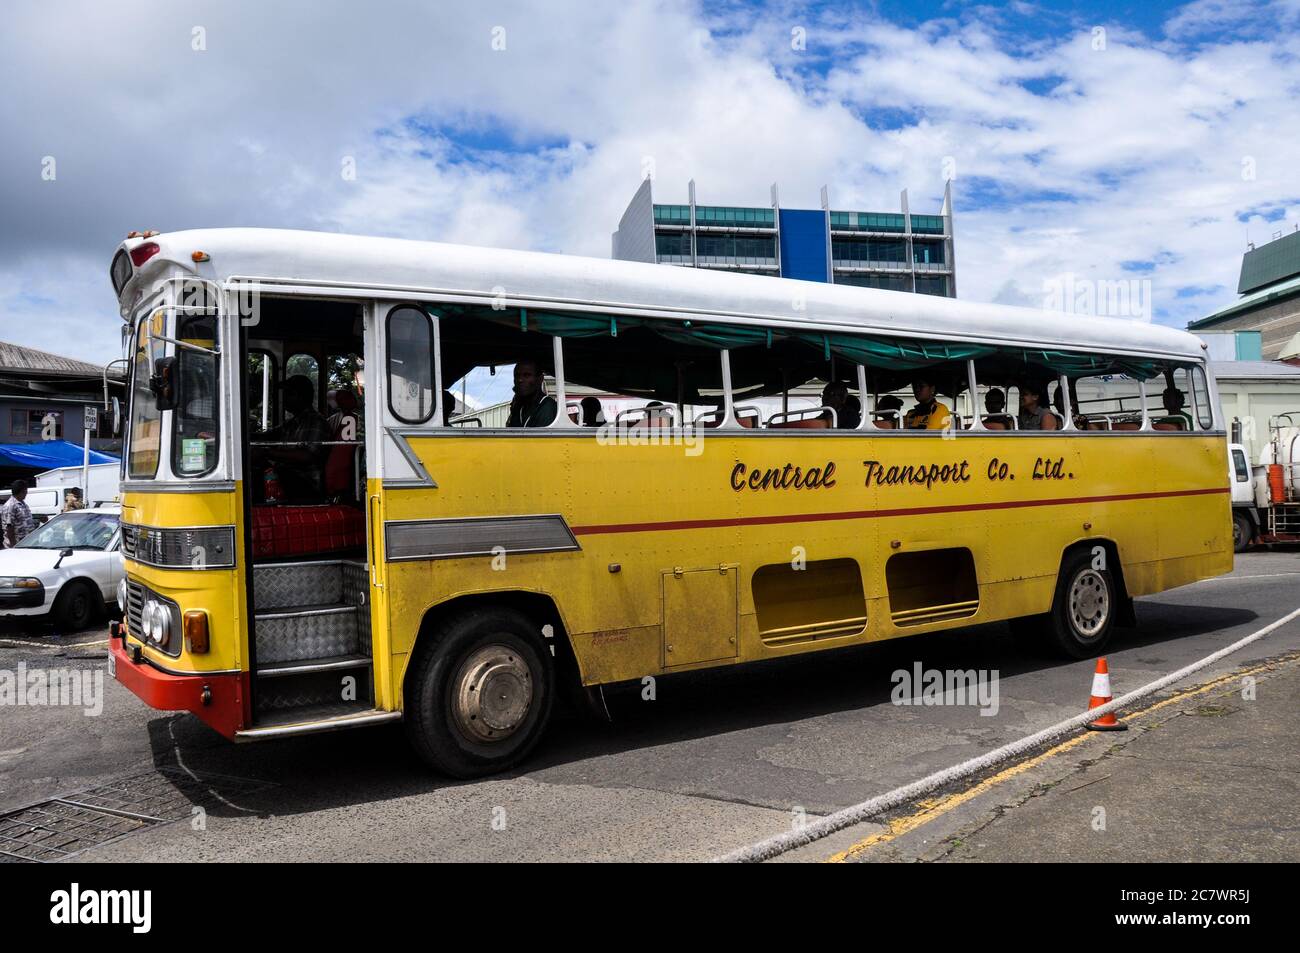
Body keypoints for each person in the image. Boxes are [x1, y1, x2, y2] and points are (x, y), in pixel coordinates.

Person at [256, 375, 332, 502]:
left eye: (288, 394)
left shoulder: (316, 422)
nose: (284, 399)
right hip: (287, 475)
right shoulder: (292, 422)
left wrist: (266, 452)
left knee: (255, 479)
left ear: (301, 396)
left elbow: (307, 456)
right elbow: (268, 436)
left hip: (304, 482)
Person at [506, 358, 557, 428]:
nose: (520, 380)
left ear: (540, 379)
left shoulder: (546, 406)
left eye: (527, 375)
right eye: (517, 375)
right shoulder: (520, 407)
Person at [2, 479, 35, 548]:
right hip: (16, 545)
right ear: (22, 491)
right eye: (26, 490)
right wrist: (14, 548)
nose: (27, 493)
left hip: (25, 543)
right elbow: (9, 528)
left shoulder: (22, 503)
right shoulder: (10, 506)